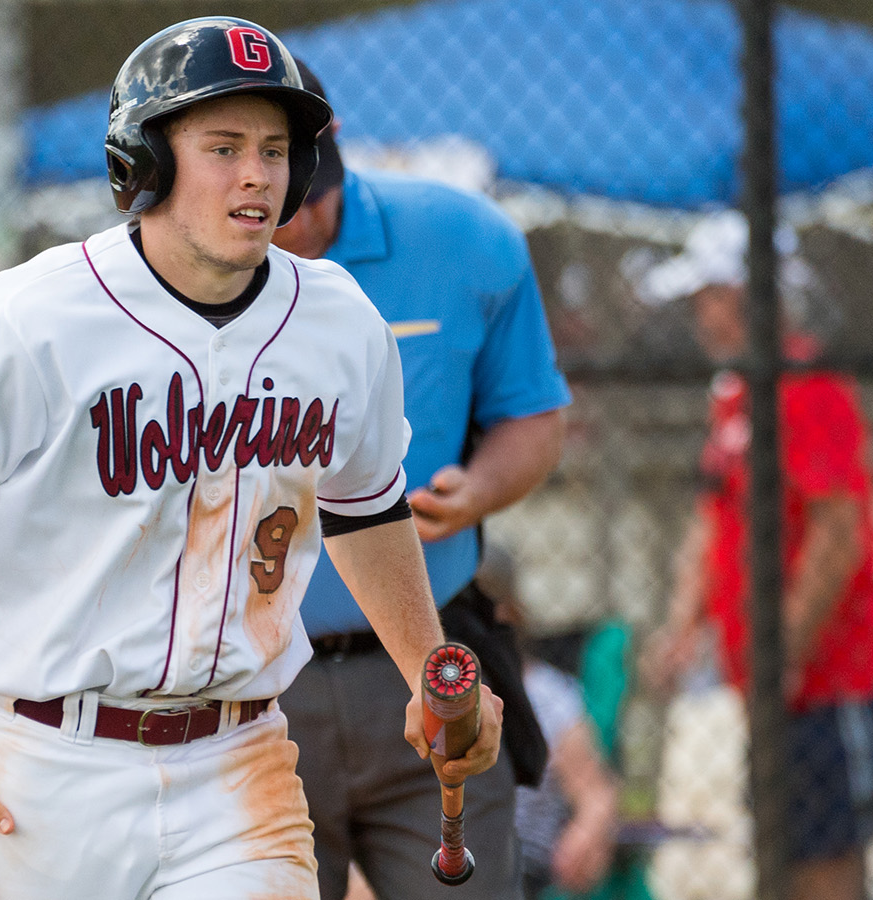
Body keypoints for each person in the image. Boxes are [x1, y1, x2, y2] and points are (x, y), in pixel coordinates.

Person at [0, 18, 505, 900]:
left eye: (276, 150)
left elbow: (364, 505)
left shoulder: (339, 321)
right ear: (145, 162)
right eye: (222, 146)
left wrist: (428, 666)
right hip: (35, 766)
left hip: (236, 763)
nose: (257, 175)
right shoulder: (24, 320)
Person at [270, 60, 571, 900]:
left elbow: (534, 415)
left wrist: (479, 488)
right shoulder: (187, 269)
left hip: (428, 666)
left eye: (307, 193)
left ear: (330, 151)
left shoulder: (467, 240)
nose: (290, 223)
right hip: (252, 685)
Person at [640, 212, 873, 900]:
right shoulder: (735, 392)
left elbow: (838, 532)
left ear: (745, 293)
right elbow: (712, 518)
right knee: (781, 860)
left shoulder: (807, 382)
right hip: (765, 686)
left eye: (709, 295)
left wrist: (783, 649)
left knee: (828, 867)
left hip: (828, 680)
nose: (701, 314)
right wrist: (682, 627)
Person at [476, 545, 620, 900]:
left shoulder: (546, 694)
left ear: (508, 612)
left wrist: (586, 832)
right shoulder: (410, 693)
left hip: (522, 867)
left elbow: (595, 793)